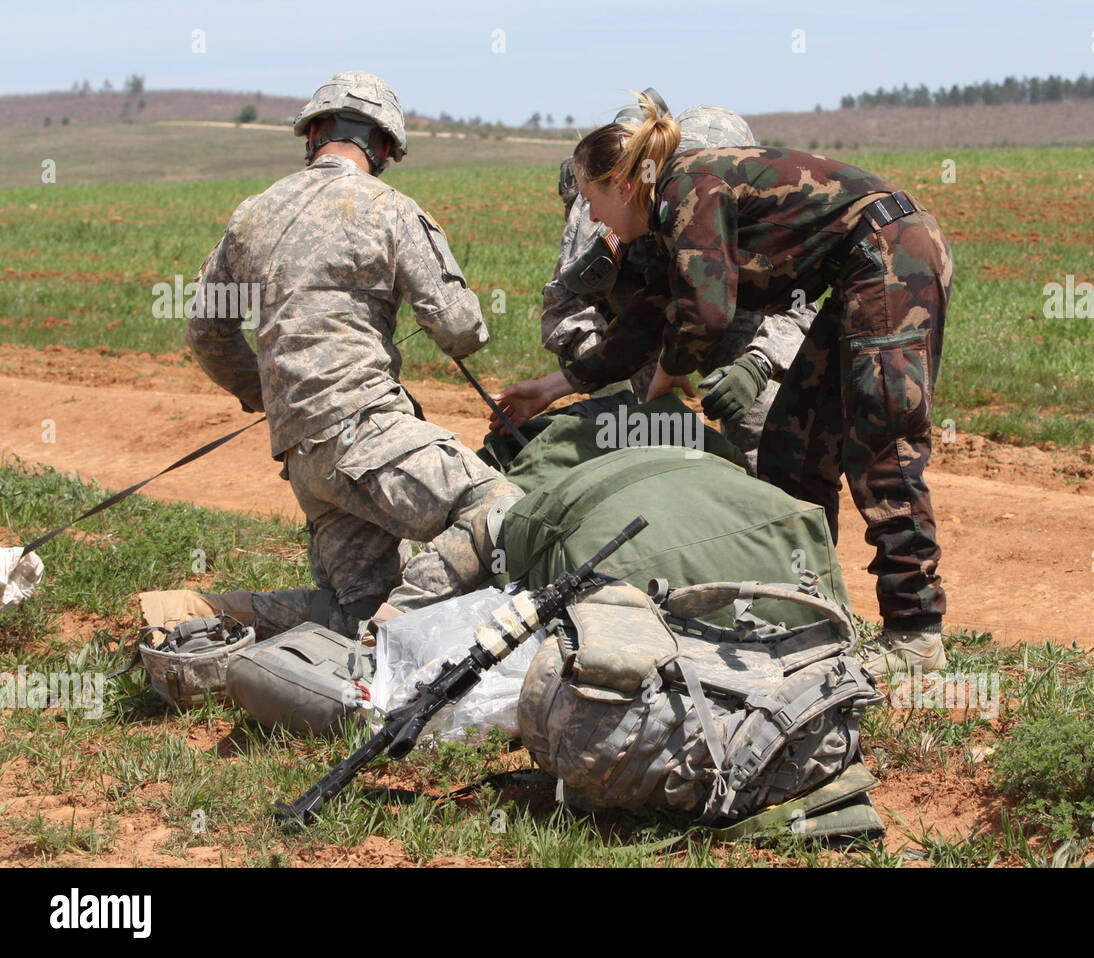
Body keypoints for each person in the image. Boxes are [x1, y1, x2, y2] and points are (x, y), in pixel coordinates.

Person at [493, 94, 952, 681]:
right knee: (794, 447)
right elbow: (642, 322)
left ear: (622, 183)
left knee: (881, 438)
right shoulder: (662, 217)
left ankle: (915, 635)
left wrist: (666, 380)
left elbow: (704, 316)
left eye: (592, 198)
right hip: (858, 271)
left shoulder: (689, 188)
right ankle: (807, 608)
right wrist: (552, 387)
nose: (594, 217)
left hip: (891, 258)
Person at [187, 71, 520, 639]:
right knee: (500, 508)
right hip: (364, 434)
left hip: (303, 455)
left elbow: (205, 331)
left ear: (313, 132)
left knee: (354, 605)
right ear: (386, 146)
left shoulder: (251, 214)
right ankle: (395, 631)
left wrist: (263, 393)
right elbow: (461, 329)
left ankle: (213, 615)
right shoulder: (391, 209)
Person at [539, 89, 813, 472]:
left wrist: (758, 363)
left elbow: (797, 307)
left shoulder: (756, 219)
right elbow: (565, 304)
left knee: (761, 418)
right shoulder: (607, 203)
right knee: (645, 439)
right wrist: (600, 368)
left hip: (722, 313)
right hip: (630, 330)